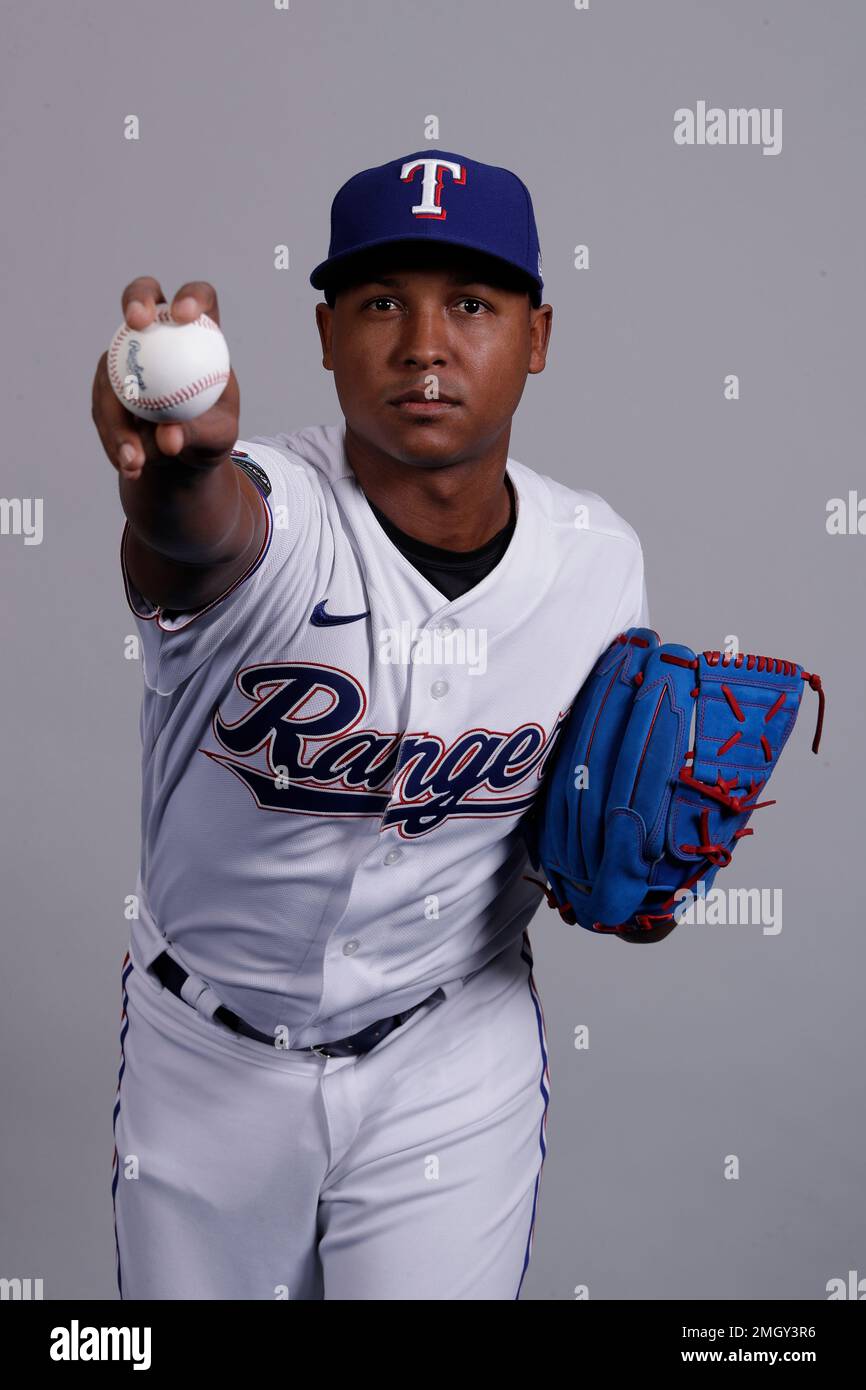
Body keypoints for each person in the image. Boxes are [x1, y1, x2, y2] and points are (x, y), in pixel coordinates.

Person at [91, 149, 649, 1301]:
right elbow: (199, 537)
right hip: (207, 1062)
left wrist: (634, 875)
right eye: (382, 303)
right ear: (325, 333)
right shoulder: (274, 510)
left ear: (535, 336)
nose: (424, 345)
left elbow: (596, 829)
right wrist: (170, 469)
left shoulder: (598, 563)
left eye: (471, 305)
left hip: (447, 1052)